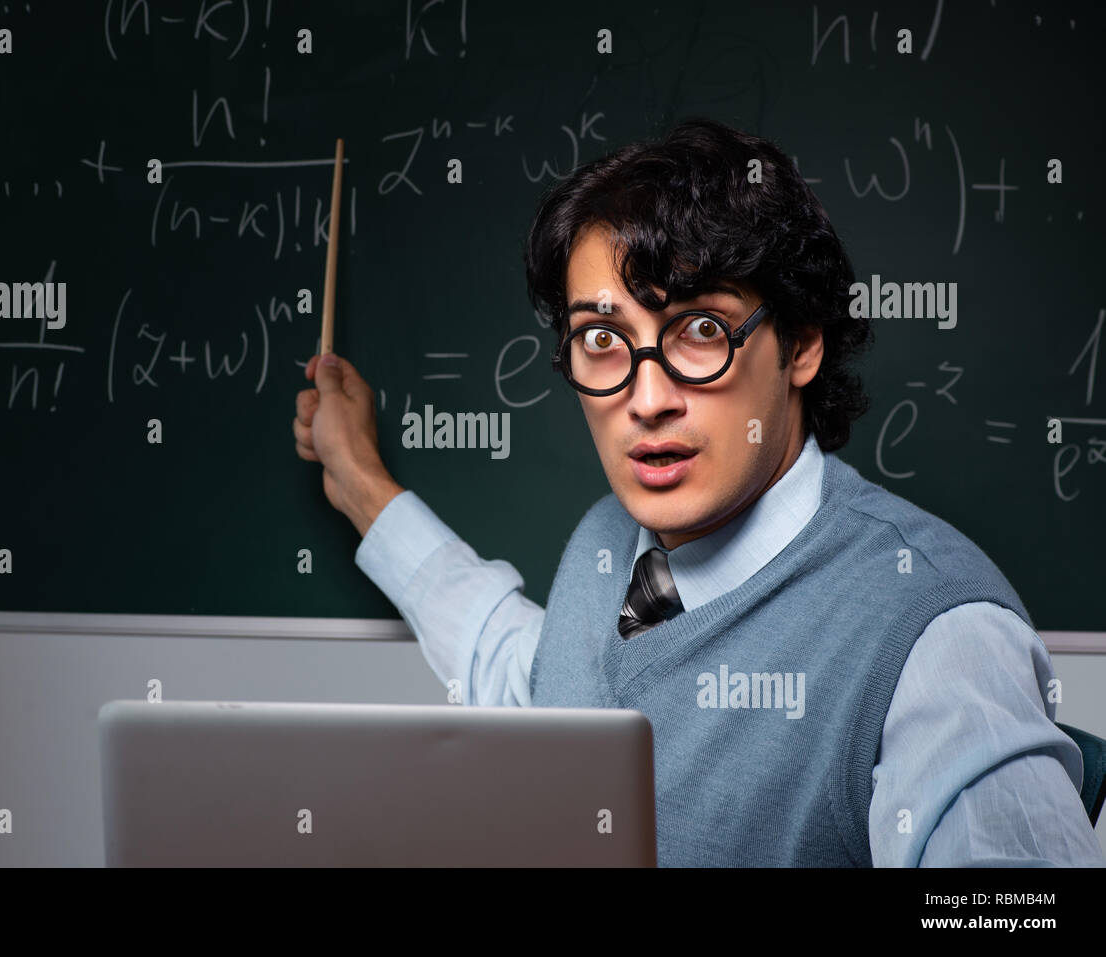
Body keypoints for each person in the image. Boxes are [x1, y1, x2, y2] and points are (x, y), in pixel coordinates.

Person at [291, 117, 1104, 867]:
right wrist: (359, 479)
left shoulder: (937, 635)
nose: (647, 399)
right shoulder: (605, 544)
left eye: (700, 330)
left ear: (801, 343)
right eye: (604, 340)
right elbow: (534, 678)